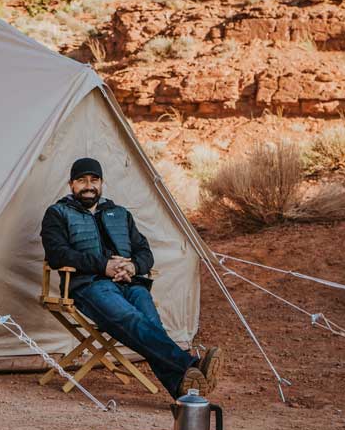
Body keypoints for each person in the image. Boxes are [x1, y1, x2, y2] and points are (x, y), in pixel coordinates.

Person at [40, 157, 222, 398]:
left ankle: (179, 387)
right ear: (71, 184)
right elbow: (57, 254)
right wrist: (104, 266)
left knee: (151, 324)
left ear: (102, 183)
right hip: (89, 286)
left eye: (94, 180)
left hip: (130, 283)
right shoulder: (57, 213)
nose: (88, 185)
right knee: (132, 318)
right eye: (81, 180)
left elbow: (144, 252)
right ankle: (190, 365)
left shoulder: (119, 213)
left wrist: (134, 267)